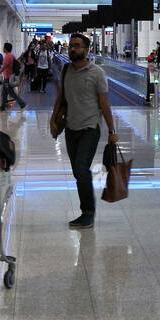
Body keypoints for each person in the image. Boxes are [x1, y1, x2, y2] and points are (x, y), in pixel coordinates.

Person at [52, 33, 119, 229]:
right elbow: (61, 98)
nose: (73, 49)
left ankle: (87, 212)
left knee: (81, 168)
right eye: (71, 46)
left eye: (78, 46)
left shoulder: (97, 73)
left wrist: (112, 131)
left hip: (90, 128)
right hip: (71, 127)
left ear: (87, 49)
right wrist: (53, 120)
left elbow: (104, 104)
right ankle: (87, 210)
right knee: (77, 171)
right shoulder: (66, 70)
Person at [0, 41, 27, 111]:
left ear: (6, 49)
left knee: (11, 93)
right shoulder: (12, 55)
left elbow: (3, 68)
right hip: (9, 77)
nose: (2, 48)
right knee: (4, 93)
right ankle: (2, 107)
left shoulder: (7, 57)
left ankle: (22, 104)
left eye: (3, 47)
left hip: (8, 78)